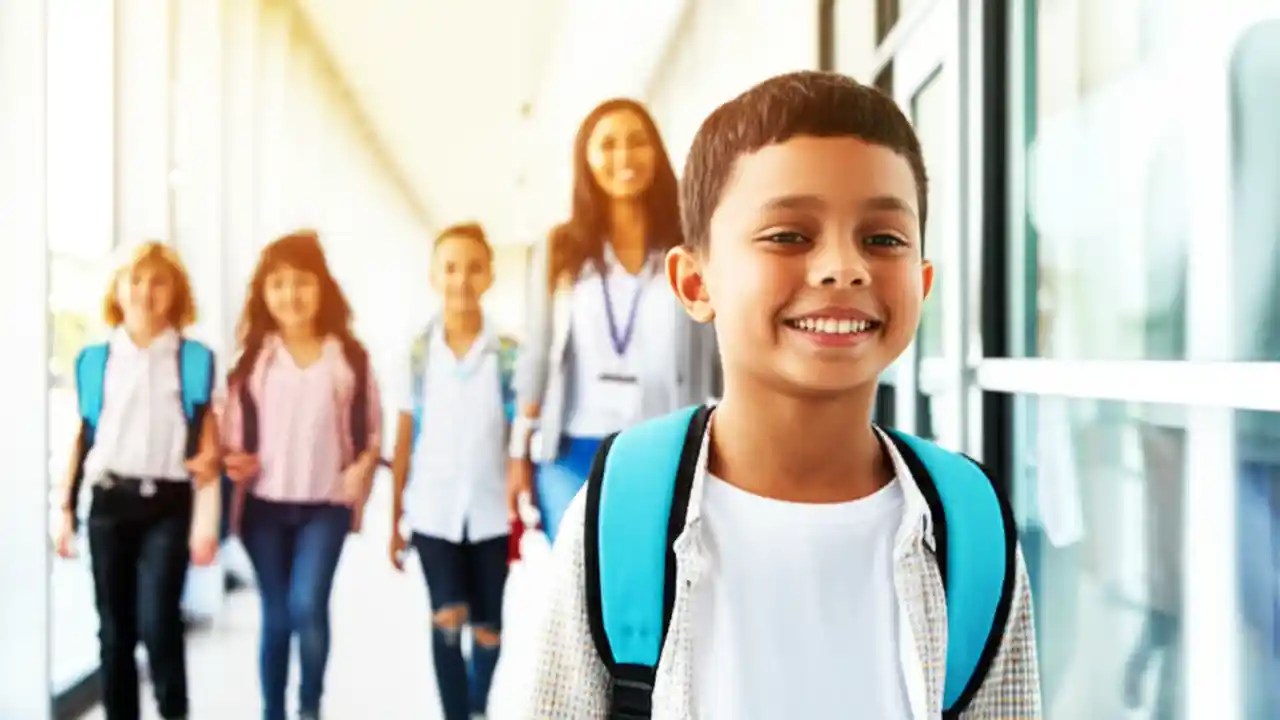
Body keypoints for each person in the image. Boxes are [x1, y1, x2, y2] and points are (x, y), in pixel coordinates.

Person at [523, 71, 1041, 718]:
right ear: (694, 283)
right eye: (788, 235)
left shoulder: (970, 527)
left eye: (884, 239)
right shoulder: (618, 519)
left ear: (922, 281)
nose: (842, 267)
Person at [507, 98, 717, 543]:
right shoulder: (559, 248)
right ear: (586, 158)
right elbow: (537, 354)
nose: (624, 157)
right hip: (573, 447)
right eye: (608, 144)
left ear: (656, 153)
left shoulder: (693, 243)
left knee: (654, 580)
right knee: (580, 580)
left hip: (665, 445)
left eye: (637, 142)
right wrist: (518, 450)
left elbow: (720, 346)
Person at [53, 241, 221, 720]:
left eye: (159, 281)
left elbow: (209, 452)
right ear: (117, 291)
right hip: (109, 504)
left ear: (176, 292)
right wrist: (64, 509)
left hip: (167, 505)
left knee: (160, 623)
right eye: (135, 280)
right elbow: (84, 435)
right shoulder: (95, 360)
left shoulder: (194, 360)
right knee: (114, 633)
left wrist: (205, 524)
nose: (146, 291)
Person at [221, 230, 382, 720]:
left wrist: (362, 470)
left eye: (302, 282)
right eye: (278, 284)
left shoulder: (349, 358)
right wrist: (232, 461)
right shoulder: (252, 361)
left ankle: (309, 706)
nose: (291, 295)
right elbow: (228, 436)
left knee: (307, 606)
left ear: (322, 288)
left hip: (326, 507)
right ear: (264, 294)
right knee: (276, 616)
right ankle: (273, 711)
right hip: (263, 509)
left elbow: (372, 432)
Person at [387, 222, 517, 720]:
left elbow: (517, 438)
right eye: (450, 267)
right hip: (433, 511)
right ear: (433, 276)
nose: (461, 279)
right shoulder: (417, 356)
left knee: (488, 629)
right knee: (447, 616)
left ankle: (477, 708)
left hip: (490, 514)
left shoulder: (507, 355)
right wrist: (394, 519)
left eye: (473, 267)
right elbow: (402, 440)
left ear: (489, 276)